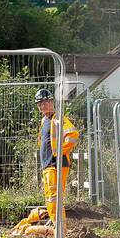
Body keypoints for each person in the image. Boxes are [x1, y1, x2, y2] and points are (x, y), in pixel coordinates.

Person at [36, 88, 78, 230]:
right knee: (50, 199)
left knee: (55, 199)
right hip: (47, 166)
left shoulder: (58, 118)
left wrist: (59, 152)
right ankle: (57, 228)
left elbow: (73, 135)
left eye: (44, 102)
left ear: (51, 101)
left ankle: (61, 232)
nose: (42, 106)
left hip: (56, 165)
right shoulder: (44, 120)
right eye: (39, 104)